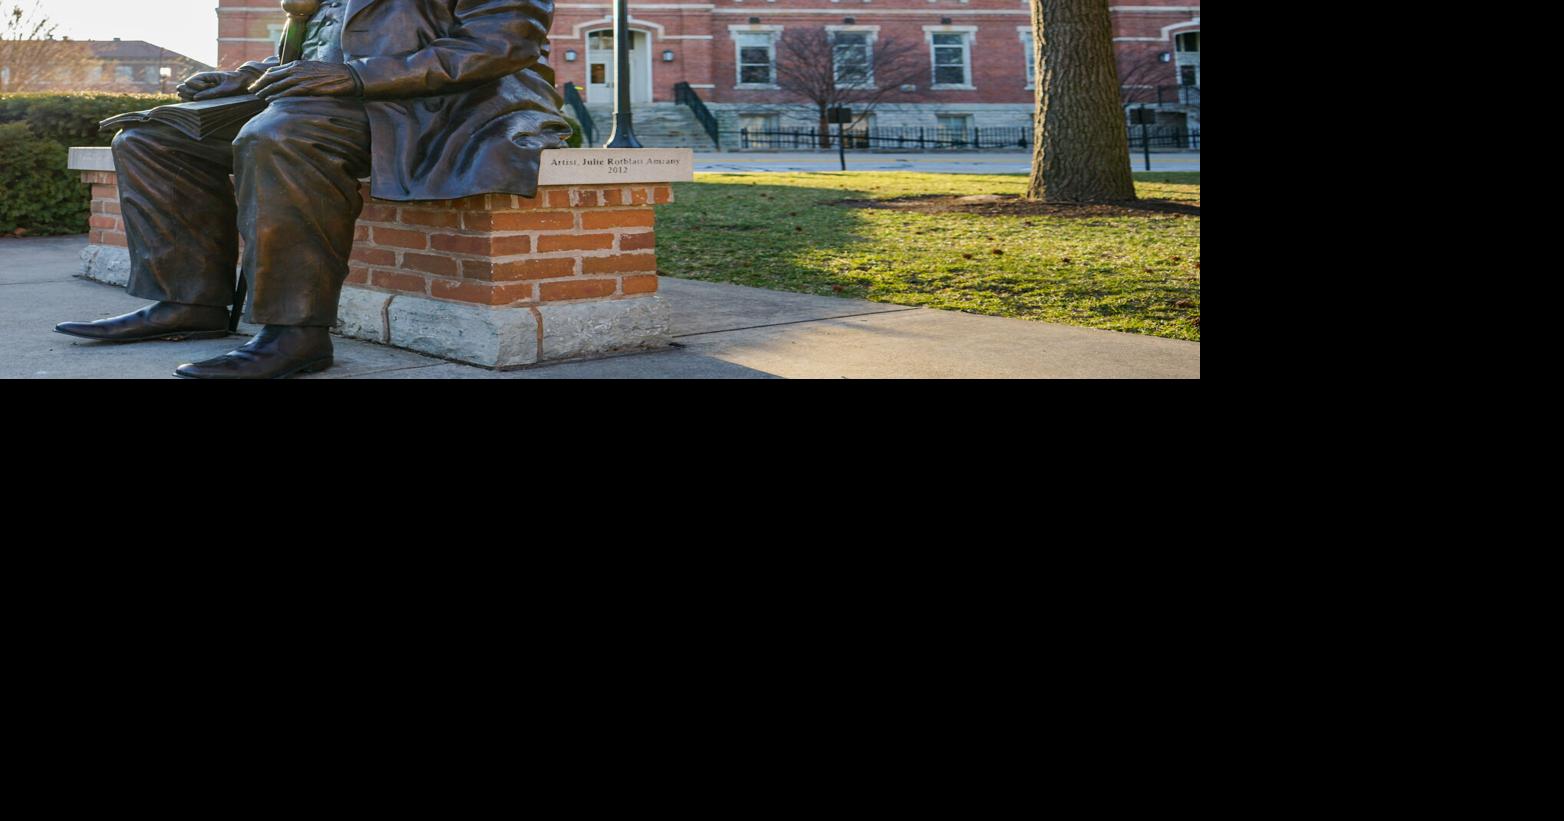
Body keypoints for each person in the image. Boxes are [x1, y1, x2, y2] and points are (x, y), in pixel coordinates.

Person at [53, 0, 574, 379]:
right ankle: (187, 302)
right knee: (150, 136)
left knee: (277, 136)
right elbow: (321, 53)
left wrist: (355, 76)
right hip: (340, 99)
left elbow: (502, 43)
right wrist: (248, 77)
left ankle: (296, 333)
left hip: (433, 107)